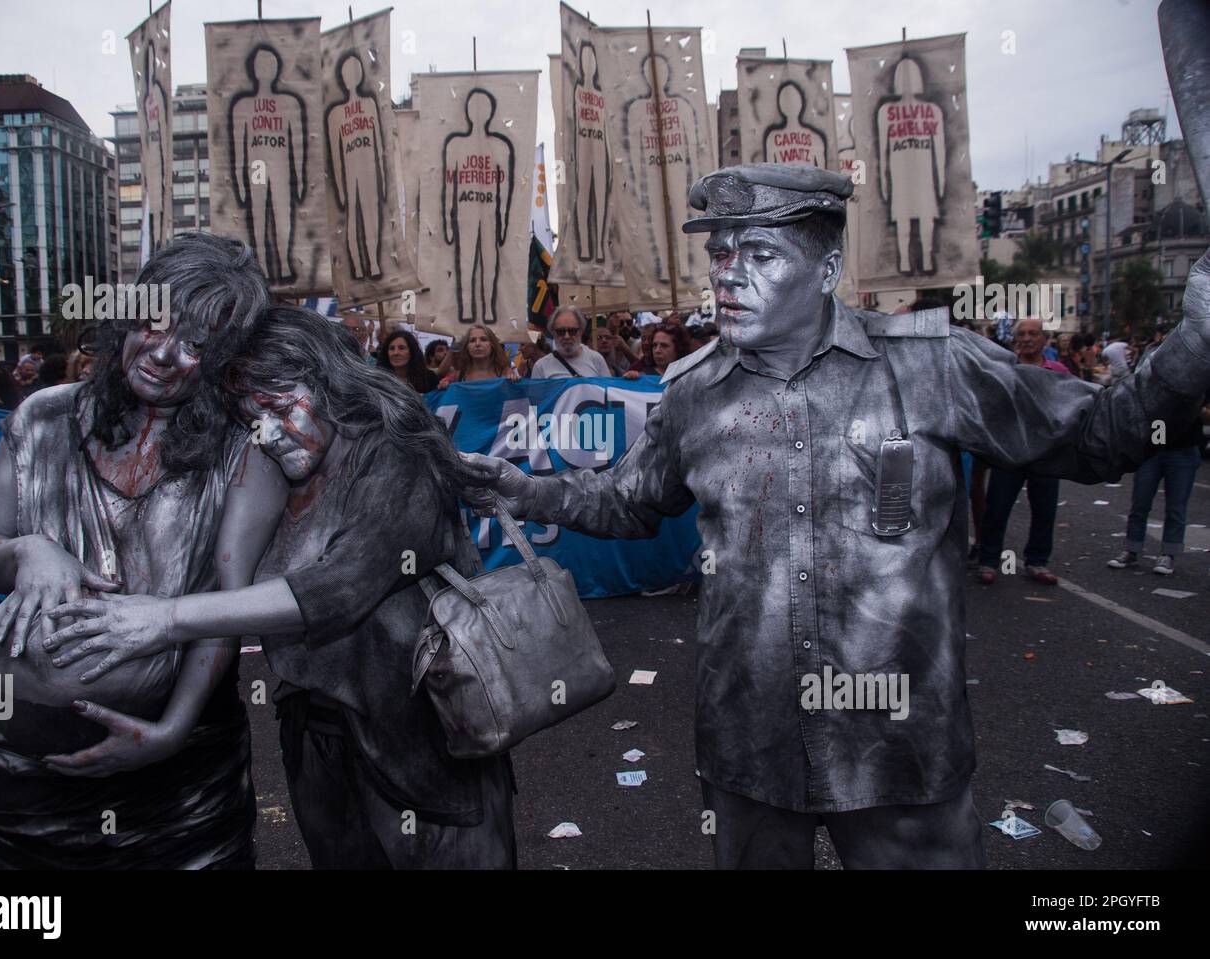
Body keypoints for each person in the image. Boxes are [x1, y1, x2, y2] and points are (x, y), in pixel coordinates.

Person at [463, 163, 1210, 870]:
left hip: (900, 749)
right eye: (720, 252)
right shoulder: (692, 391)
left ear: (826, 269)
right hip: (750, 745)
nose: (727, 271)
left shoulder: (933, 364)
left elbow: (1100, 434)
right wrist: (524, 489)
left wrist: (1196, 342)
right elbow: (628, 500)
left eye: (758, 251)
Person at [42, 306, 517, 870]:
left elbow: (339, 586)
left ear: (330, 381)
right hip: (316, 737)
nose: (264, 431)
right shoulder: (273, 466)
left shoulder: (397, 450)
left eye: (276, 404)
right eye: (248, 417)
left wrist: (163, 618)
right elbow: (228, 578)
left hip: (426, 738)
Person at [0, 232, 284, 870]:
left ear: (228, 360)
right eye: (152, 325)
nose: (163, 354)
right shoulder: (43, 418)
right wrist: (28, 549)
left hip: (181, 783)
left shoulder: (243, 448)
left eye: (196, 344)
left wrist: (168, 734)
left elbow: (229, 603)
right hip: (20, 782)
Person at [973, 319, 1072, 585]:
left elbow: (1071, 406)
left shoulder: (1058, 371)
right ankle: (989, 560)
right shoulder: (1005, 369)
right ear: (1015, 340)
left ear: (1044, 339)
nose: (1027, 338)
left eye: (1033, 333)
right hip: (1011, 451)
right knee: (997, 507)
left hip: (1045, 453)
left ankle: (1038, 562)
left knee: (1044, 509)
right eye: (1022, 334)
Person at [1108, 389, 1210, 575]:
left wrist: (1196, 408)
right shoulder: (1160, 372)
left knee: (1176, 506)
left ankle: (1168, 555)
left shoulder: (1199, 379)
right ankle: (1132, 550)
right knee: (1140, 501)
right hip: (1155, 443)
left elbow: (1207, 416)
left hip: (1184, 448)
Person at [531, 306, 610, 378]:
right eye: (561, 331)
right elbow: (535, 393)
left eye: (572, 331)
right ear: (553, 333)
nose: (567, 336)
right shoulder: (541, 366)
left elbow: (609, 390)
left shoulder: (596, 359)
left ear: (581, 332)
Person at [438, 324, 520, 387]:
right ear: (467, 347)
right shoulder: (458, 376)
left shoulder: (505, 373)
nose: (477, 344)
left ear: (492, 345)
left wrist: (514, 382)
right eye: (472, 340)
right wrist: (444, 384)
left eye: (483, 339)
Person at [377, 329, 437, 393]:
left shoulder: (428, 378)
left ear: (412, 351)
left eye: (401, 348)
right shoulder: (379, 380)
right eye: (391, 348)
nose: (395, 353)